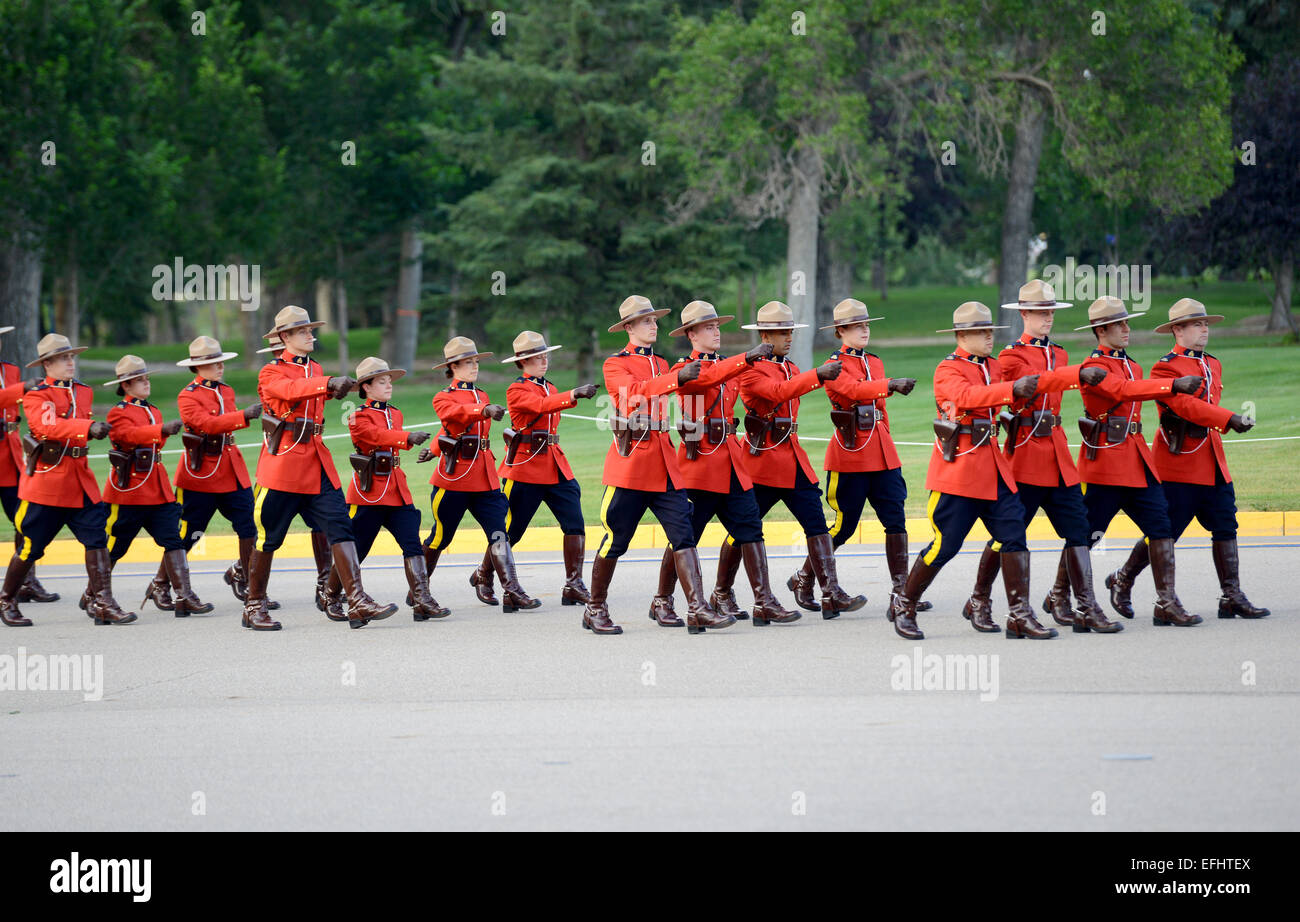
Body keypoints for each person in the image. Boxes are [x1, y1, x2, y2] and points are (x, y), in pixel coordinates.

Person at [960, 281, 1119, 634]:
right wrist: (1074, 375)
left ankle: (1086, 606)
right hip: (1026, 456)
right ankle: (979, 598)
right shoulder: (1010, 356)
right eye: (1040, 312)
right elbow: (1020, 390)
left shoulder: (1060, 353)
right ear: (1024, 314)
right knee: (1008, 536)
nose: (1047, 318)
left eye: (1051, 312)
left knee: (1080, 530)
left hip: (1058, 456)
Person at [888, 302, 1052, 640]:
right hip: (959, 473)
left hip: (994, 470)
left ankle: (1019, 613)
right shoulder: (948, 369)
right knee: (945, 546)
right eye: (982, 331)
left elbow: (1030, 385)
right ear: (962, 335)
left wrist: (1074, 376)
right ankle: (905, 603)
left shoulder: (995, 366)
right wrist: (1010, 391)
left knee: (1013, 536)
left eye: (991, 330)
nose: (990, 336)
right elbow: (966, 396)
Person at [1105, 297, 1265, 620]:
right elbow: (1187, 407)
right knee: (1166, 532)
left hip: (1213, 461)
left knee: (1225, 524)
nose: (1204, 328)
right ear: (1177, 330)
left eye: (1205, 323)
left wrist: (1222, 419)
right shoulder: (1164, 368)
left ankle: (1231, 595)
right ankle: (1124, 578)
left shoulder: (1212, 363)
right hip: (1179, 464)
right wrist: (1227, 417)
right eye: (1196, 323)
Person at [586, 295, 733, 635]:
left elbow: (700, 382)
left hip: (665, 463)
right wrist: (676, 379)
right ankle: (594, 608)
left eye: (654, 320)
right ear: (628, 328)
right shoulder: (615, 364)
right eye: (645, 321)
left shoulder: (664, 363)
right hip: (633, 465)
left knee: (684, 536)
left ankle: (697, 608)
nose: (653, 326)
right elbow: (632, 394)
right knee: (616, 539)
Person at [247, 305, 398, 630]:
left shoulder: (313, 367)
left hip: (316, 463)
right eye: (303, 331)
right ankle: (254, 604)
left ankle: (355, 599)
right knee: (269, 539)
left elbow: (314, 391)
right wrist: (327, 383)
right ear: (285, 337)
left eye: (310, 330)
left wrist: (342, 387)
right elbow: (289, 392)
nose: (310, 335)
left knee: (341, 527)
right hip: (283, 466)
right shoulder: (271, 372)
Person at [648, 301, 798, 628]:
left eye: (717, 326)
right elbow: (705, 379)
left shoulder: (730, 365)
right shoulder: (683, 368)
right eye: (708, 327)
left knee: (750, 528)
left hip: (731, 460)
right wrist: (746, 357)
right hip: (699, 466)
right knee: (685, 537)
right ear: (691, 334)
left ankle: (764, 601)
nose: (716, 332)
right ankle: (662, 600)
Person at [1072, 296, 1205, 626]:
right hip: (1106, 462)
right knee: (1087, 534)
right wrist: (1171, 384)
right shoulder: (1094, 366)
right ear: (1101, 330)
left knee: (1161, 527)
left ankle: (1166, 602)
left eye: (1127, 322)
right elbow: (1123, 391)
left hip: (1135, 459)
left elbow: (1131, 385)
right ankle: (1063, 594)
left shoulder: (1131, 363)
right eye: (1120, 324)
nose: (1127, 329)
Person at [0, 334, 135, 626]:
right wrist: (87, 427)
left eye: (72, 357)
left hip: (80, 480)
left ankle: (102, 601)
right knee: (31, 547)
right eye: (63, 358)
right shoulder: (37, 393)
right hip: (48, 484)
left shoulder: (83, 391)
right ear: (47, 364)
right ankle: (7, 599)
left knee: (97, 540)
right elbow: (46, 425)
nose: (70, 362)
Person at [735, 301, 857, 620]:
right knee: (744, 532)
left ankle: (830, 591)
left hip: (791, 458)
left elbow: (788, 385)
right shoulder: (750, 369)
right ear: (764, 334)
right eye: (780, 332)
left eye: (790, 330)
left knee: (816, 524)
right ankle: (723, 592)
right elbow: (778, 393)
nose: (788, 337)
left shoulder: (789, 366)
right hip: (762, 462)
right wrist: (817, 375)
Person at [805, 298, 923, 617]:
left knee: (895, 520)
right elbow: (854, 391)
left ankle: (902, 591)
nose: (864, 330)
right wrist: (890, 385)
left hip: (881, 452)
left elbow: (878, 406)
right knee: (844, 526)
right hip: (852, 453)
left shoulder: (875, 360)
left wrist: (885, 390)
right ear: (841, 330)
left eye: (867, 324)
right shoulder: (834, 365)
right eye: (857, 326)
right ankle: (805, 578)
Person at [467, 331, 599, 608]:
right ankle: (484, 573)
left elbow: (548, 403)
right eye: (536, 357)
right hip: (525, 467)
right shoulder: (516, 390)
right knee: (511, 530)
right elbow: (539, 406)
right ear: (522, 362)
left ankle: (573, 584)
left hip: (554, 464)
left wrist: (565, 395)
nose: (543, 361)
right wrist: (572, 394)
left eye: (544, 355)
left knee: (574, 523)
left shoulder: (549, 386)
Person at [419, 336, 539, 614]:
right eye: (467, 363)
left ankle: (512, 590)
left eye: (475, 361)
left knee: (499, 533)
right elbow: (452, 419)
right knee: (440, 538)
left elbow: (451, 432)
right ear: (453, 367)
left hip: (484, 478)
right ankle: (419, 592)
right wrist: (480, 411)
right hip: (455, 479)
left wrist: (435, 448)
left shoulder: (482, 394)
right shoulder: (444, 397)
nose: (474, 367)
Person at [325, 356, 445, 621]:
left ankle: (422, 599)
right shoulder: (357, 416)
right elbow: (374, 437)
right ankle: (330, 595)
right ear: (366, 387)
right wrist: (406, 437)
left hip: (396, 490)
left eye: (389, 381)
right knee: (357, 550)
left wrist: (404, 438)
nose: (388, 385)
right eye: (382, 381)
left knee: (412, 544)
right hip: (369, 492)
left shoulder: (395, 413)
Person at [92, 355, 212, 617]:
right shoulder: (118, 412)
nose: (146, 383)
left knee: (173, 540)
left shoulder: (152, 410)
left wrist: (162, 432)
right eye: (140, 380)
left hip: (157, 489)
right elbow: (126, 436)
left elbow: (154, 444)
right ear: (125, 386)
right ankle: (94, 595)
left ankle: (184, 595)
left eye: (146, 378)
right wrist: (160, 430)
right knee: (115, 546)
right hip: (129, 492)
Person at [152, 337, 264, 614]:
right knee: (190, 533)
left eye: (220, 361)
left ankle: (250, 583)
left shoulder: (225, 390)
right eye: (213, 363)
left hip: (231, 470)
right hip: (200, 474)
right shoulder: (187, 395)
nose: (220, 366)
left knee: (248, 527)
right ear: (198, 367)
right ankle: (161, 583)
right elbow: (205, 424)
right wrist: (242, 416)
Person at [0, 324, 59, 605]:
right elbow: (9, 396)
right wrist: (21, 388)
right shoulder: (16, 381)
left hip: (9, 456)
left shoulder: (9, 370)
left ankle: (26, 581)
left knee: (23, 520)